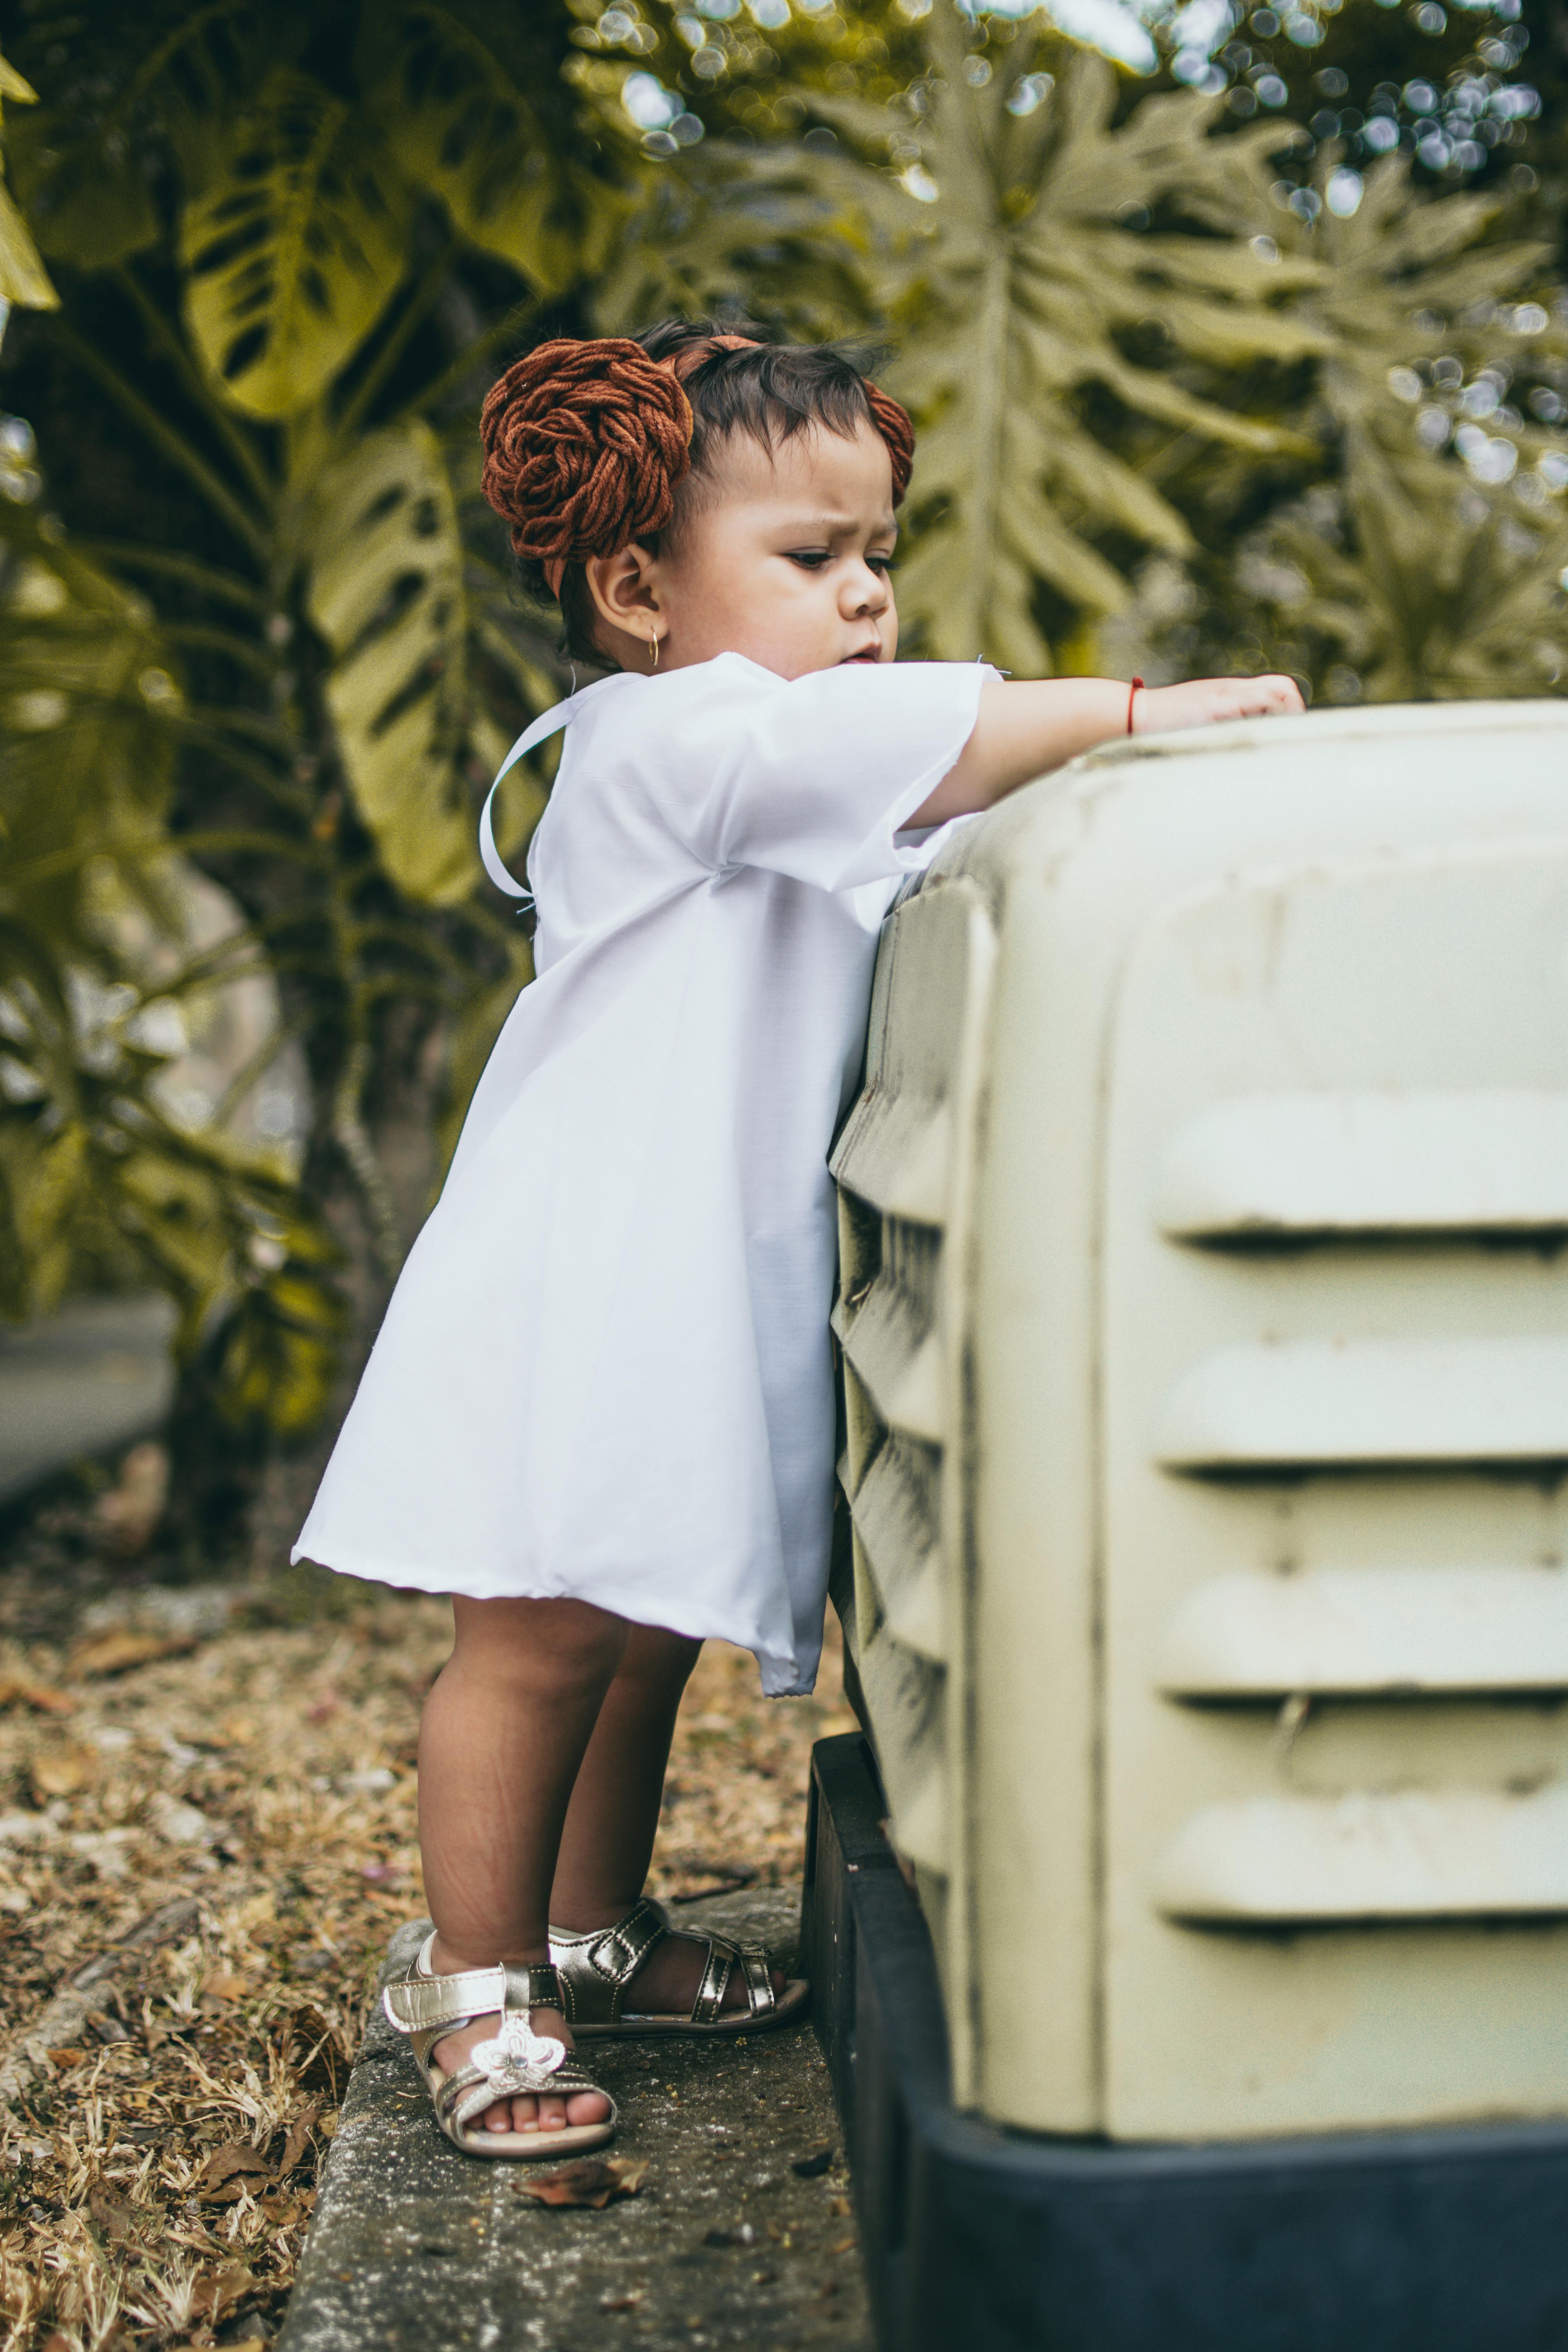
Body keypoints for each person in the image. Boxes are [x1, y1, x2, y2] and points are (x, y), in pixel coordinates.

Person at [292, 320, 1303, 2158]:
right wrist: (1140, 713)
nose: (866, 596)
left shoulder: (775, 774)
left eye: (879, 554)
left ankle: (591, 1931)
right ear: (635, 592)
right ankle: (476, 1981)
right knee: (534, 1642)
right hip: (580, 1275)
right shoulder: (672, 740)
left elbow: (894, 829)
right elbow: (913, 749)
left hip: (678, 1287)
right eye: (811, 554)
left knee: (640, 1632)